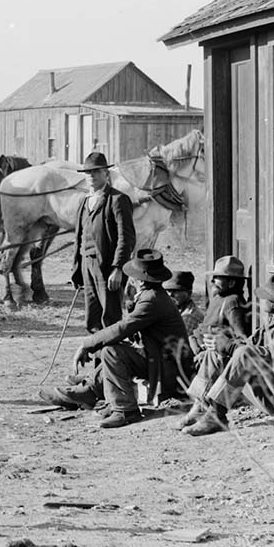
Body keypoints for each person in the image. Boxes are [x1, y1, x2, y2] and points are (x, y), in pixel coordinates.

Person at [181, 273, 274, 436]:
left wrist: (230, 346)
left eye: (264, 297)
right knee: (217, 352)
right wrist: (221, 343)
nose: (261, 300)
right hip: (272, 389)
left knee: (243, 353)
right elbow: (248, 344)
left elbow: (273, 356)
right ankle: (201, 407)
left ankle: (217, 416)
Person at [68, 249, 194, 428]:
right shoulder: (150, 296)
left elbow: (123, 328)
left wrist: (86, 344)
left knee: (112, 352)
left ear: (140, 280)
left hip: (170, 368)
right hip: (160, 358)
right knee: (113, 347)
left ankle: (125, 410)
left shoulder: (152, 300)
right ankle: (91, 389)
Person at [70, 151, 135, 334]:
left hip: (107, 267)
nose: (91, 176)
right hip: (86, 264)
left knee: (110, 317)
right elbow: (79, 238)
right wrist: (77, 270)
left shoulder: (118, 199)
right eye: (88, 172)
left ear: (106, 174)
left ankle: (111, 361)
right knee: (92, 319)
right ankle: (98, 360)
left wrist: (118, 268)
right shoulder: (85, 202)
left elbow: (126, 237)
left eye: (96, 171)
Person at [181, 255, 250, 406]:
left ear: (231, 282)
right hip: (199, 350)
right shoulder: (218, 298)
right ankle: (198, 405)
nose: (212, 281)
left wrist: (219, 344)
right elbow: (204, 327)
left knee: (211, 356)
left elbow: (243, 340)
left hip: (219, 357)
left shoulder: (233, 303)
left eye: (218, 278)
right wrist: (195, 344)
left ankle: (200, 407)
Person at [164, 271, 204, 339]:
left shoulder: (189, 317)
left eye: (176, 291)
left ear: (189, 293)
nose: (170, 294)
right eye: (168, 290)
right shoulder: (176, 310)